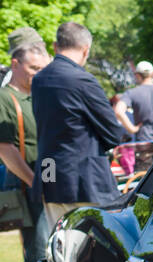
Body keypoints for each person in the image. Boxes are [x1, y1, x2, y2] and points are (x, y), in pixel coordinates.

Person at [30, 22, 122, 229]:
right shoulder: (82, 80)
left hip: (49, 176)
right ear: (85, 50)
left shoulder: (39, 79)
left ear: (55, 46)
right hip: (83, 181)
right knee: (92, 252)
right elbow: (113, 132)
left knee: (59, 250)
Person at [0, 28, 55, 262]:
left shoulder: (41, 96)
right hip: (28, 184)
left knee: (52, 245)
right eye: (34, 69)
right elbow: (6, 149)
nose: (39, 74)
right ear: (15, 63)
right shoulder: (6, 99)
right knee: (37, 248)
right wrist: (36, 182)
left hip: (46, 182)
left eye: (43, 68)